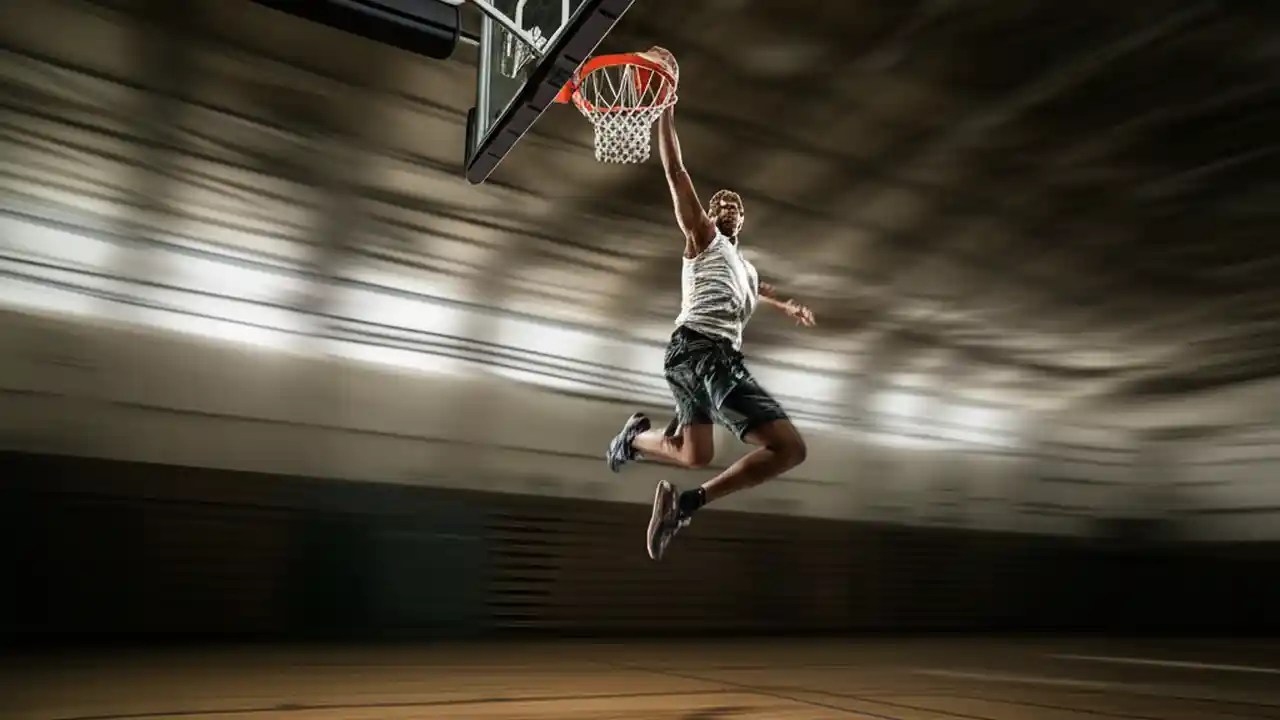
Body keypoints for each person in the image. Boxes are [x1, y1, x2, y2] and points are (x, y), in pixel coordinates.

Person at [606, 100, 817, 561]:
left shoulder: (747, 270)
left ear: (743, 219)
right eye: (720, 201)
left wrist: (787, 306)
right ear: (713, 212)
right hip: (705, 352)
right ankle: (685, 505)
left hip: (689, 357)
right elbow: (675, 170)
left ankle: (634, 443)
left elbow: (755, 291)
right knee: (789, 449)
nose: (726, 206)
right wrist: (664, 109)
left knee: (695, 455)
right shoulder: (703, 235)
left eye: (735, 205)